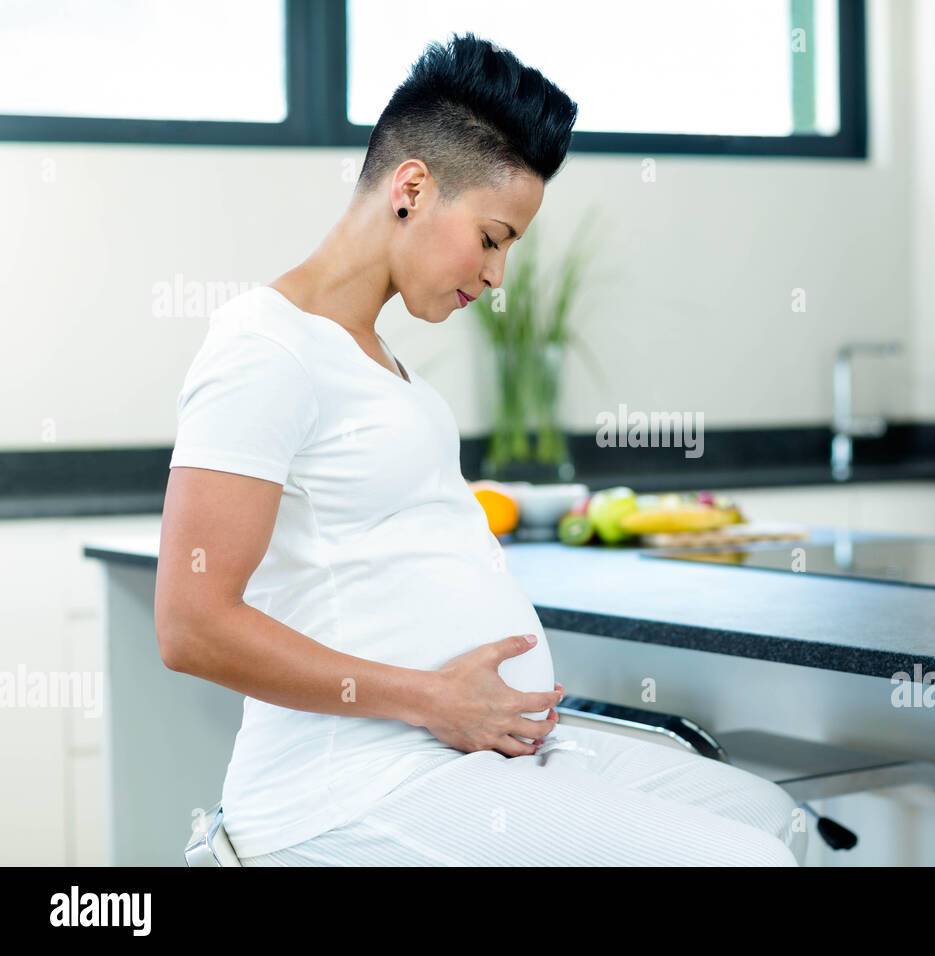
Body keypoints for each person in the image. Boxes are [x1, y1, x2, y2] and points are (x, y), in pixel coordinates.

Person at [155, 32, 806, 867]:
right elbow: (190, 626)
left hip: (466, 755)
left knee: (769, 820)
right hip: (356, 785)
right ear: (413, 188)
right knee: (744, 862)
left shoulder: (381, 364)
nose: (497, 277)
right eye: (494, 237)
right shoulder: (264, 348)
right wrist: (434, 699)